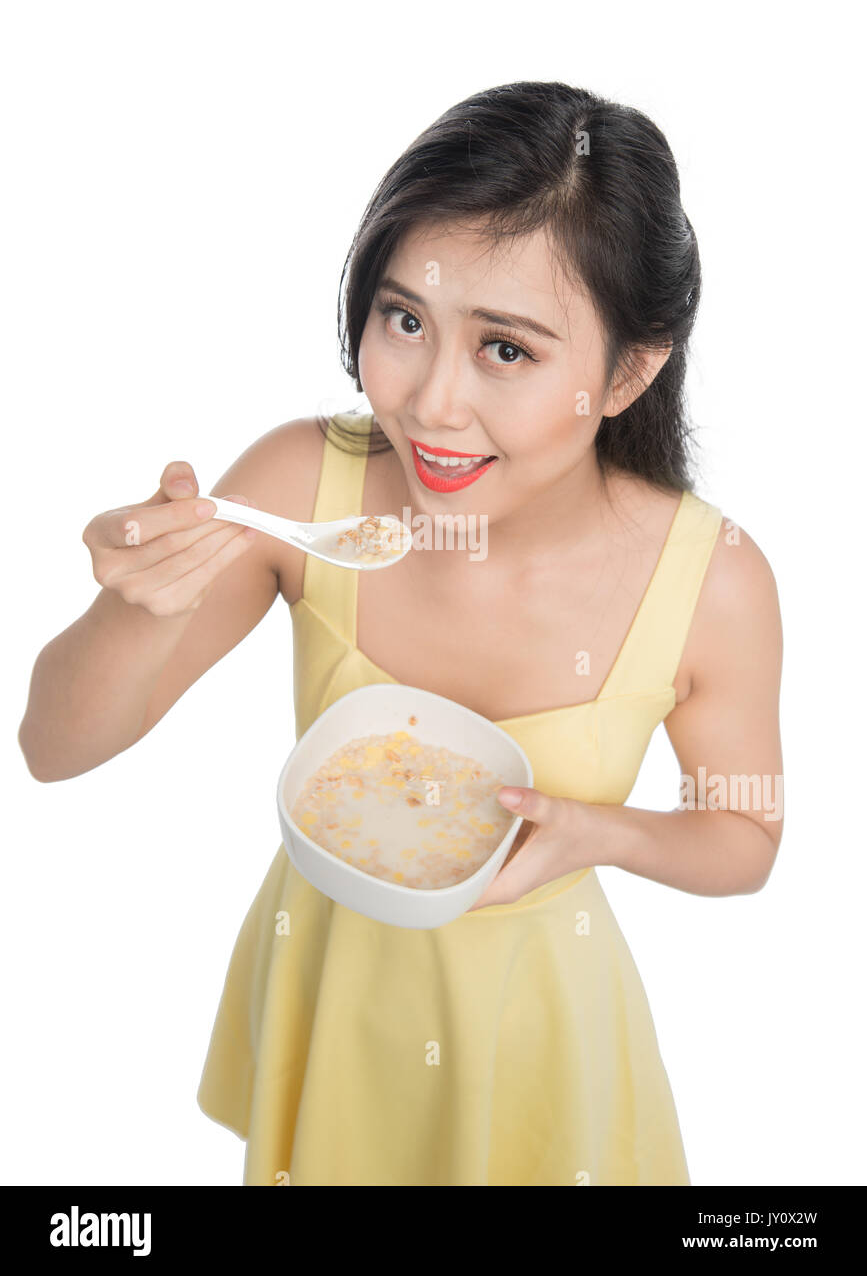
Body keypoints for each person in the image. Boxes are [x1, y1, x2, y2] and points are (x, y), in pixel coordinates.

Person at [19, 80, 783, 1185]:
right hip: (330, 1003)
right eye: (406, 318)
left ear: (628, 370)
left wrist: (600, 833)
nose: (428, 403)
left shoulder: (710, 579)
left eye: (506, 351)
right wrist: (138, 604)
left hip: (541, 1040)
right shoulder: (304, 488)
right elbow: (52, 747)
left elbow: (745, 837)